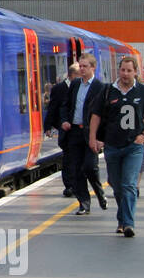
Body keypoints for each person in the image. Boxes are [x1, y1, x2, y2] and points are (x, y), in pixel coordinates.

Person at [90, 56, 144, 237]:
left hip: (133, 146)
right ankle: (122, 217)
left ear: (135, 71)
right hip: (112, 145)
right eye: (123, 70)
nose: (125, 74)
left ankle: (128, 223)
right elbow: (96, 115)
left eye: (129, 70)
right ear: (118, 71)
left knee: (128, 184)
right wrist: (93, 138)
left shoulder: (143, 92)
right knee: (116, 184)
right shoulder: (107, 91)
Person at [61, 52, 106, 215]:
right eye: (80, 66)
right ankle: (84, 203)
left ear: (93, 67)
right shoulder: (74, 85)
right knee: (76, 169)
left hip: (90, 133)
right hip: (74, 132)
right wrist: (65, 120)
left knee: (90, 167)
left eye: (85, 66)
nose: (81, 69)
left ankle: (100, 193)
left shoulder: (100, 87)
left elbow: (104, 114)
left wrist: (101, 137)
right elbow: (66, 105)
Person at [45, 63, 79, 197]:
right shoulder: (59, 89)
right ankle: (69, 185)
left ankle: (77, 184)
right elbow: (53, 108)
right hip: (65, 130)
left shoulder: (82, 87)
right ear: (72, 75)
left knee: (79, 159)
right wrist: (48, 126)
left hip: (79, 130)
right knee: (68, 158)